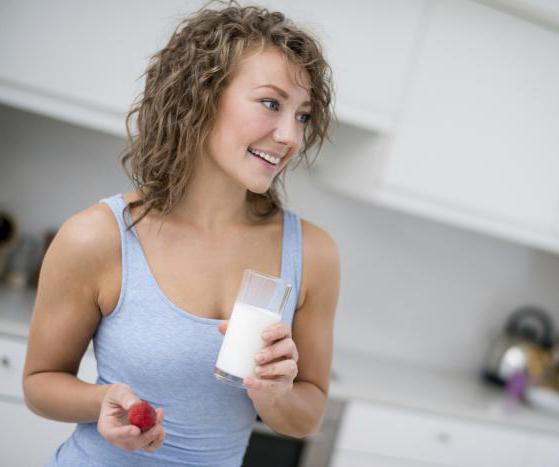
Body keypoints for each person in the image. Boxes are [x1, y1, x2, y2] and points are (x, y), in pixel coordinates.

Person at [22, 2, 339, 466]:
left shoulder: (313, 253)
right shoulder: (98, 237)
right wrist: (104, 401)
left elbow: (305, 416)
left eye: (303, 115)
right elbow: (39, 383)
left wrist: (274, 392)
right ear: (202, 94)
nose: (291, 135)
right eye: (271, 103)